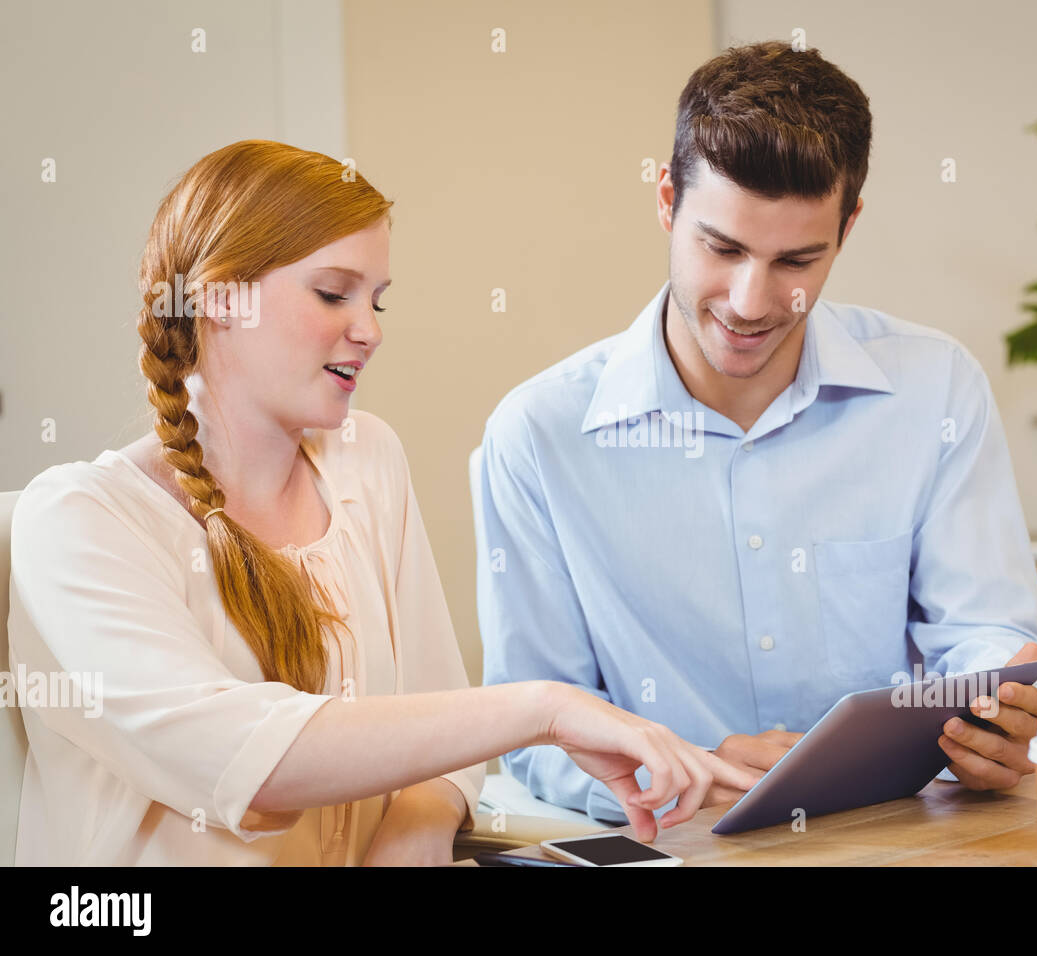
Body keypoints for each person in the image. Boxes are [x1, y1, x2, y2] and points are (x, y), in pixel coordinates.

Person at [6, 140, 755, 865]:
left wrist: (420, 820)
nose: (368, 331)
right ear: (217, 298)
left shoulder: (367, 459)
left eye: (377, 300)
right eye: (333, 293)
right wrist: (547, 710)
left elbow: (437, 719)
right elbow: (250, 759)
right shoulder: (77, 523)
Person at [478, 41, 1037, 825]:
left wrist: (998, 719)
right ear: (665, 201)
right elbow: (532, 727)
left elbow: (988, 638)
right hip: (673, 843)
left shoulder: (935, 390)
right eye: (721, 248)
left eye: (797, 259)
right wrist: (691, 769)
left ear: (848, 228)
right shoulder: (538, 437)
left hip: (893, 842)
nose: (751, 301)